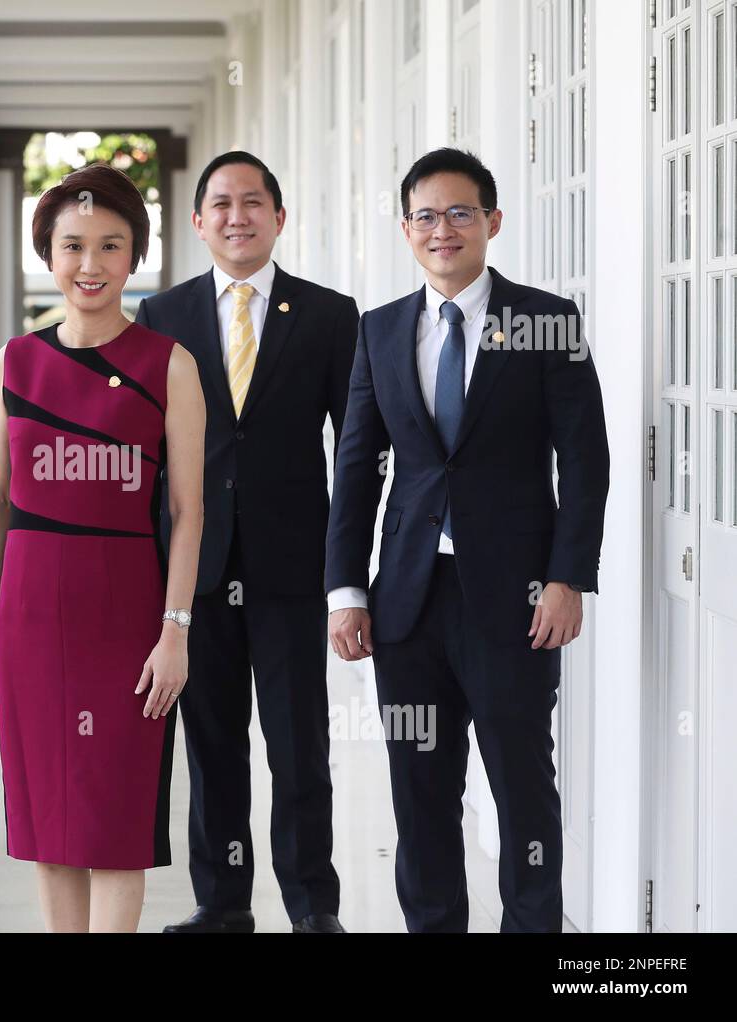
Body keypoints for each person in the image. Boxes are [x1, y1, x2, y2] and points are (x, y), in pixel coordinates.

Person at [325, 147, 611, 932]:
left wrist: (567, 578)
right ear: (405, 229)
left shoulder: (546, 320)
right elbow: (356, 468)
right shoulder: (380, 331)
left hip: (516, 601)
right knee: (419, 796)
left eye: (459, 213)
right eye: (425, 215)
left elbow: (585, 461)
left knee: (523, 790)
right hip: (407, 604)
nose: (441, 229)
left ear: (492, 221)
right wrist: (346, 591)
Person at [0, 163, 205, 933]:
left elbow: (188, 509)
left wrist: (175, 629)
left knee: (116, 821)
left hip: (126, 610)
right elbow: (0, 500)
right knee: (50, 821)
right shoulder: (14, 362)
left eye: (111, 245)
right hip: (32, 612)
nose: (91, 264)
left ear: (135, 255)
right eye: (73, 246)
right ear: (48, 255)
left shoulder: (169, 365)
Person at [136, 152, 357, 934]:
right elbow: (148, 455)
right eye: (221, 204)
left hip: (292, 569)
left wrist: (346, 579)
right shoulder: (161, 318)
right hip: (195, 571)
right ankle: (223, 905)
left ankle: (312, 907)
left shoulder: (330, 316)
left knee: (300, 750)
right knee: (214, 747)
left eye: (254, 202)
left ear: (279, 217)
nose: (238, 216)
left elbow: (357, 450)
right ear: (197, 222)